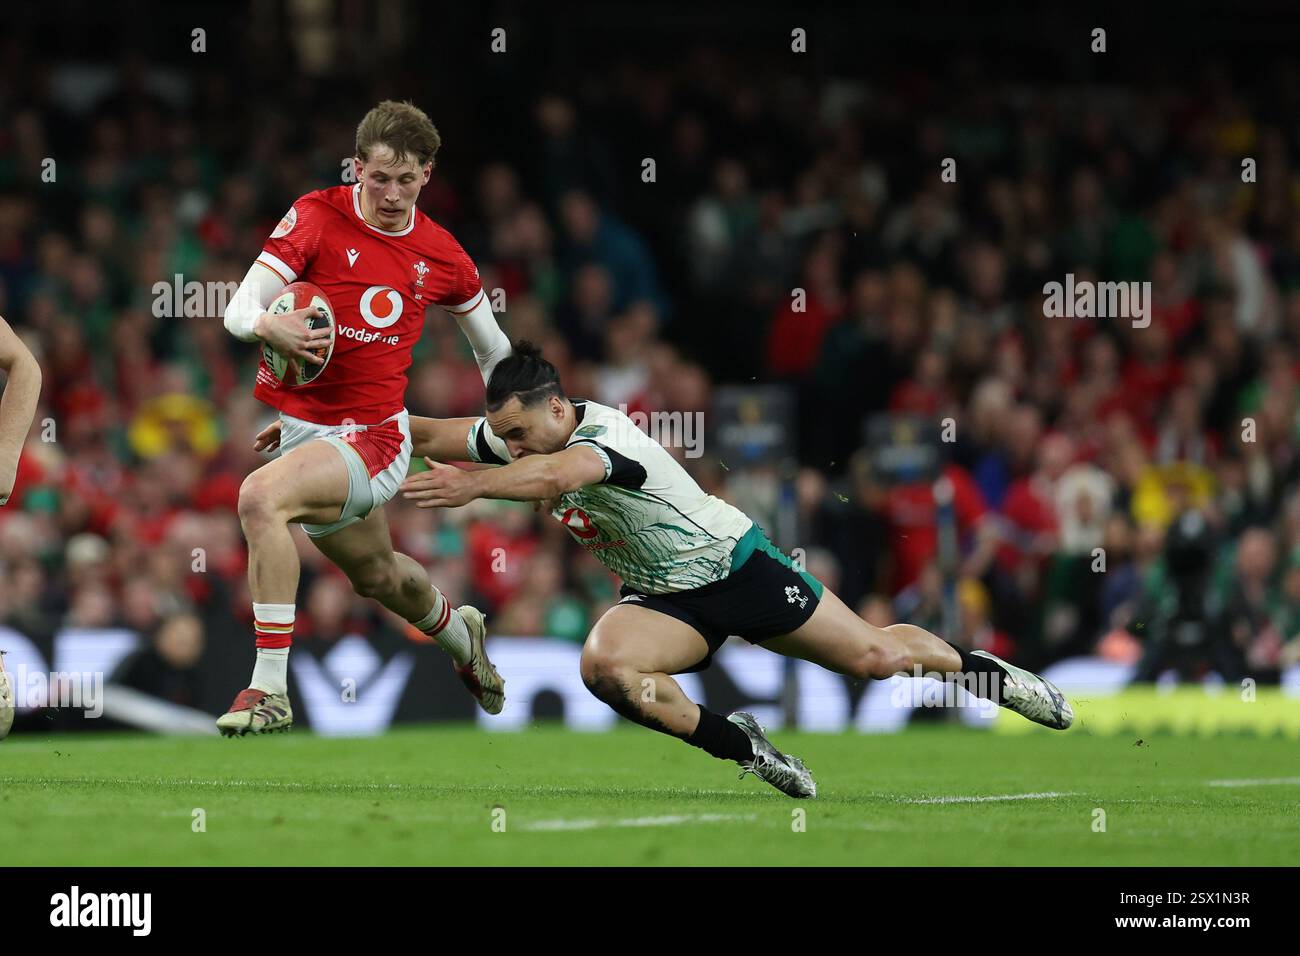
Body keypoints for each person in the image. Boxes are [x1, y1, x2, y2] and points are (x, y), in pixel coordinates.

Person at [388, 341, 1075, 797]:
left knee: (877, 656)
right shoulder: (526, 441)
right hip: (665, 599)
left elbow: (552, 476)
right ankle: (741, 745)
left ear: (560, 409)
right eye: (501, 436)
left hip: (736, 569)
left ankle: (996, 677)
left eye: (516, 433)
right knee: (607, 670)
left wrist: (472, 485)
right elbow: (423, 431)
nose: (507, 446)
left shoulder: (603, 441)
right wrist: (328, 428)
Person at [216, 101, 511, 735]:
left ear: (427, 175)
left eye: (406, 180)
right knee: (380, 577)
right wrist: (270, 326)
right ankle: (461, 634)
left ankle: (268, 689)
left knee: (260, 498)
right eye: (379, 177)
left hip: (375, 440)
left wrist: (516, 418)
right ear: (357, 167)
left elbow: (493, 350)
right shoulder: (316, 216)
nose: (391, 193)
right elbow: (238, 310)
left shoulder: (442, 253)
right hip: (308, 434)